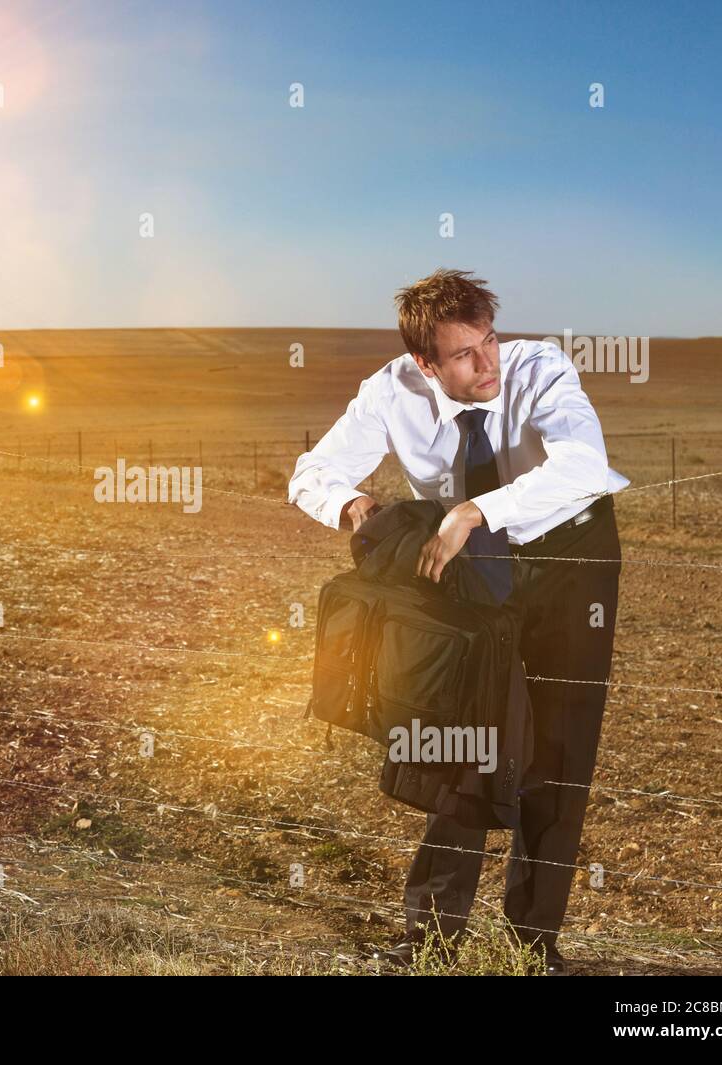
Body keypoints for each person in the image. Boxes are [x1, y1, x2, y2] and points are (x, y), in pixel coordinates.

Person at [288, 269, 628, 975]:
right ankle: (432, 935)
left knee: (560, 745)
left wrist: (479, 509)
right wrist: (355, 508)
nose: (487, 364)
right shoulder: (390, 390)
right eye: (465, 354)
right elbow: (312, 472)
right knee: (463, 725)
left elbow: (584, 464)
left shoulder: (541, 368)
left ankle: (534, 943)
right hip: (467, 559)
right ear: (425, 363)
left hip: (569, 551)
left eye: (490, 341)